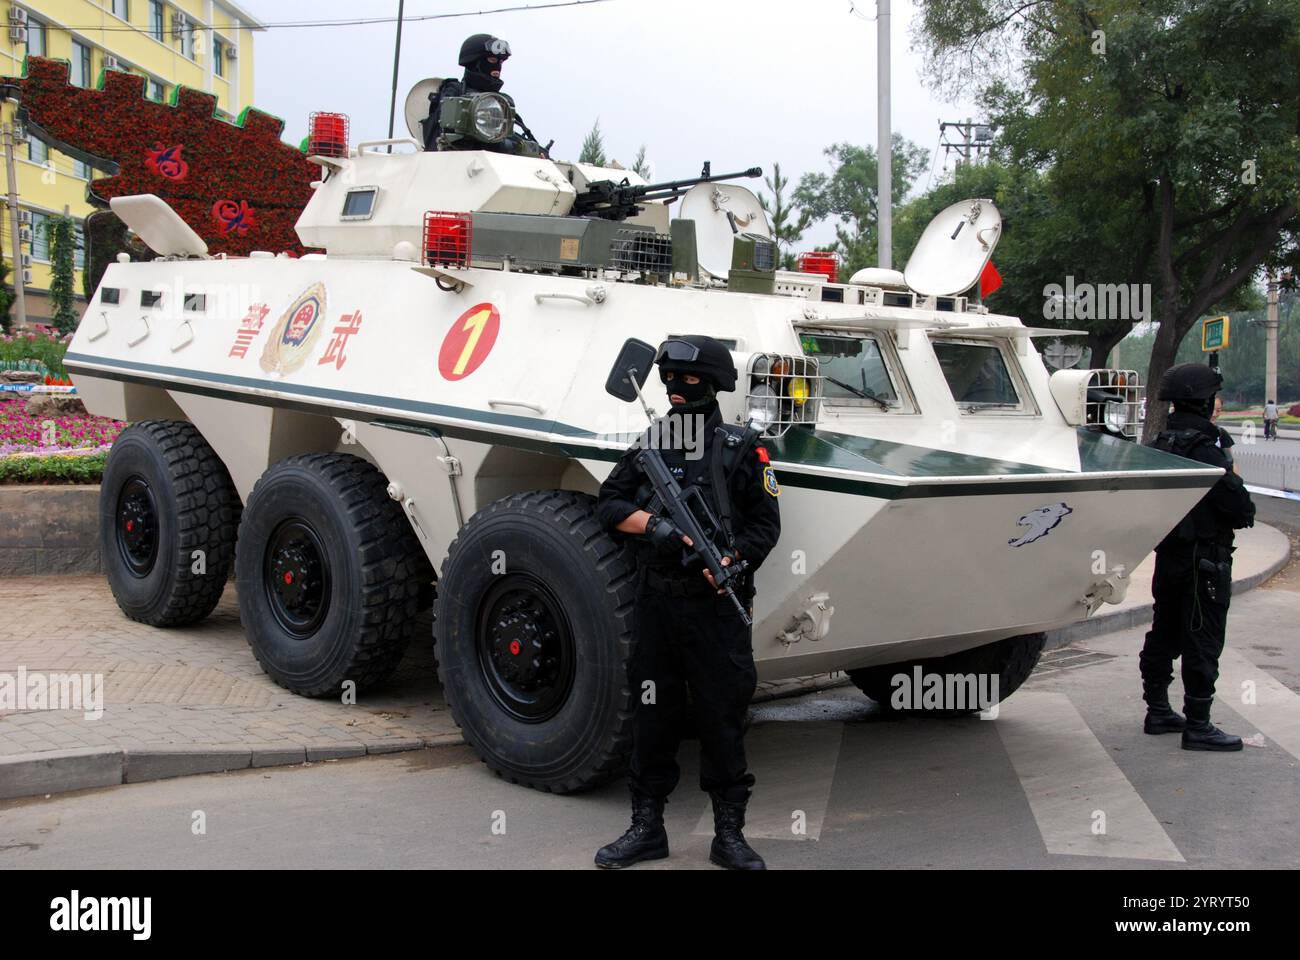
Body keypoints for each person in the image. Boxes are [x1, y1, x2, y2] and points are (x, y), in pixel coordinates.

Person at [593, 335, 781, 870]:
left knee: (723, 718)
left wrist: (732, 562)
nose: (676, 389)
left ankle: (730, 835)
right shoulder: (652, 443)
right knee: (652, 715)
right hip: (657, 606)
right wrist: (654, 526)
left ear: (715, 384)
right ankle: (646, 827)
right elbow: (609, 504)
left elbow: (766, 527)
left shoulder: (741, 447)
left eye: (690, 380)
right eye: (669, 379)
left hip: (717, 609)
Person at [1139, 363, 1256, 751]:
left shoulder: (1159, 444)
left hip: (1169, 554)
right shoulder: (1206, 449)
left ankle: (1157, 710)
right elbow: (1241, 510)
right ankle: (1199, 725)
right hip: (1205, 559)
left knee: (1165, 630)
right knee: (1202, 636)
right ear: (1204, 401)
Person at [420, 34, 544, 155]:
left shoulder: (502, 102)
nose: (497, 67)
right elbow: (449, 136)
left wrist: (530, 150)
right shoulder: (454, 92)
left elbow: (502, 138)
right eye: (492, 60)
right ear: (474, 63)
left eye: (500, 62)